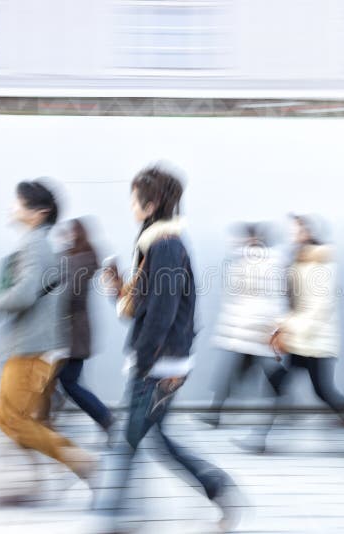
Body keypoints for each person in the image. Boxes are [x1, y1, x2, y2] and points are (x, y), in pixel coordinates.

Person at [99, 165, 239, 532]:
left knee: (126, 443)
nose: (130, 206)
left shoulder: (164, 246)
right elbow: (145, 309)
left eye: (133, 199)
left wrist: (144, 362)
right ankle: (217, 485)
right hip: (162, 361)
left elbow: (163, 311)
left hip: (158, 365)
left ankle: (109, 517)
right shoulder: (156, 245)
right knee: (152, 439)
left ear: (151, 204)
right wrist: (119, 289)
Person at [0, 180, 96, 503]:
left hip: (31, 348)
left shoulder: (35, 245)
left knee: (11, 418)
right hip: (32, 345)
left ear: (38, 213)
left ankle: (81, 461)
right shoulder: (36, 243)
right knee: (19, 419)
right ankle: (34, 482)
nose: (12, 207)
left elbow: (25, 294)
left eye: (18, 203)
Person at [237, 214, 344, 453]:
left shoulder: (320, 265)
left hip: (315, 341)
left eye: (298, 229)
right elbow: (295, 303)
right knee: (280, 384)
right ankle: (259, 439)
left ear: (310, 232)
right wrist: (282, 325)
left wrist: (287, 328)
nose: (294, 234)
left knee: (323, 391)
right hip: (302, 341)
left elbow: (318, 308)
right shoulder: (299, 260)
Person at [202, 222, 286, 428]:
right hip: (247, 332)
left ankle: (217, 411)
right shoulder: (249, 262)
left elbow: (265, 297)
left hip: (254, 331)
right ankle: (217, 411)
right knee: (236, 372)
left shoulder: (257, 264)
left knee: (238, 372)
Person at [53, 218, 114, 439]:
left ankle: (105, 418)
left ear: (77, 235)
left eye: (68, 234)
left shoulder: (79, 262)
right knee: (61, 380)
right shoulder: (72, 259)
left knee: (68, 382)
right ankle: (45, 420)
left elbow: (70, 296)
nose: (63, 238)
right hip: (71, 332)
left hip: (73, 333)